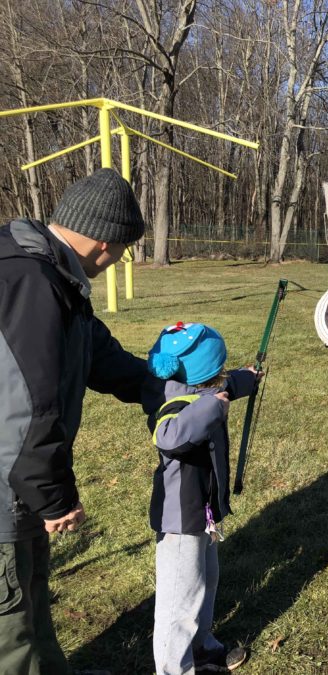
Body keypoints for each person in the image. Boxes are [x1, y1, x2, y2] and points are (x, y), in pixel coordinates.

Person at [0, 168, 150, 674]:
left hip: (18, 486)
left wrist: (167, 383)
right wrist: (53, 495)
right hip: (5, 487)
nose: (116, 262)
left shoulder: (49, 270)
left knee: (32, 596)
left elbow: (97, 355)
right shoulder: (29, 281)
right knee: (10, 629)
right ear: (106, 244)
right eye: (122, 251)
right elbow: (24, 409)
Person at [146, 321, 258, 674]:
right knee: (179, 599)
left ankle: (200, 646)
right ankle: (173, 668)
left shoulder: (203, 391)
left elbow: (223, 388)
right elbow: (170, 438)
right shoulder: (174, 407)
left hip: (204, 515)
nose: (220, 384)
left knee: (205, 582)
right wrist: (212, 407)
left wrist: (245, 379)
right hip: (181, 521)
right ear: (199, 380)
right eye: (216, 376)